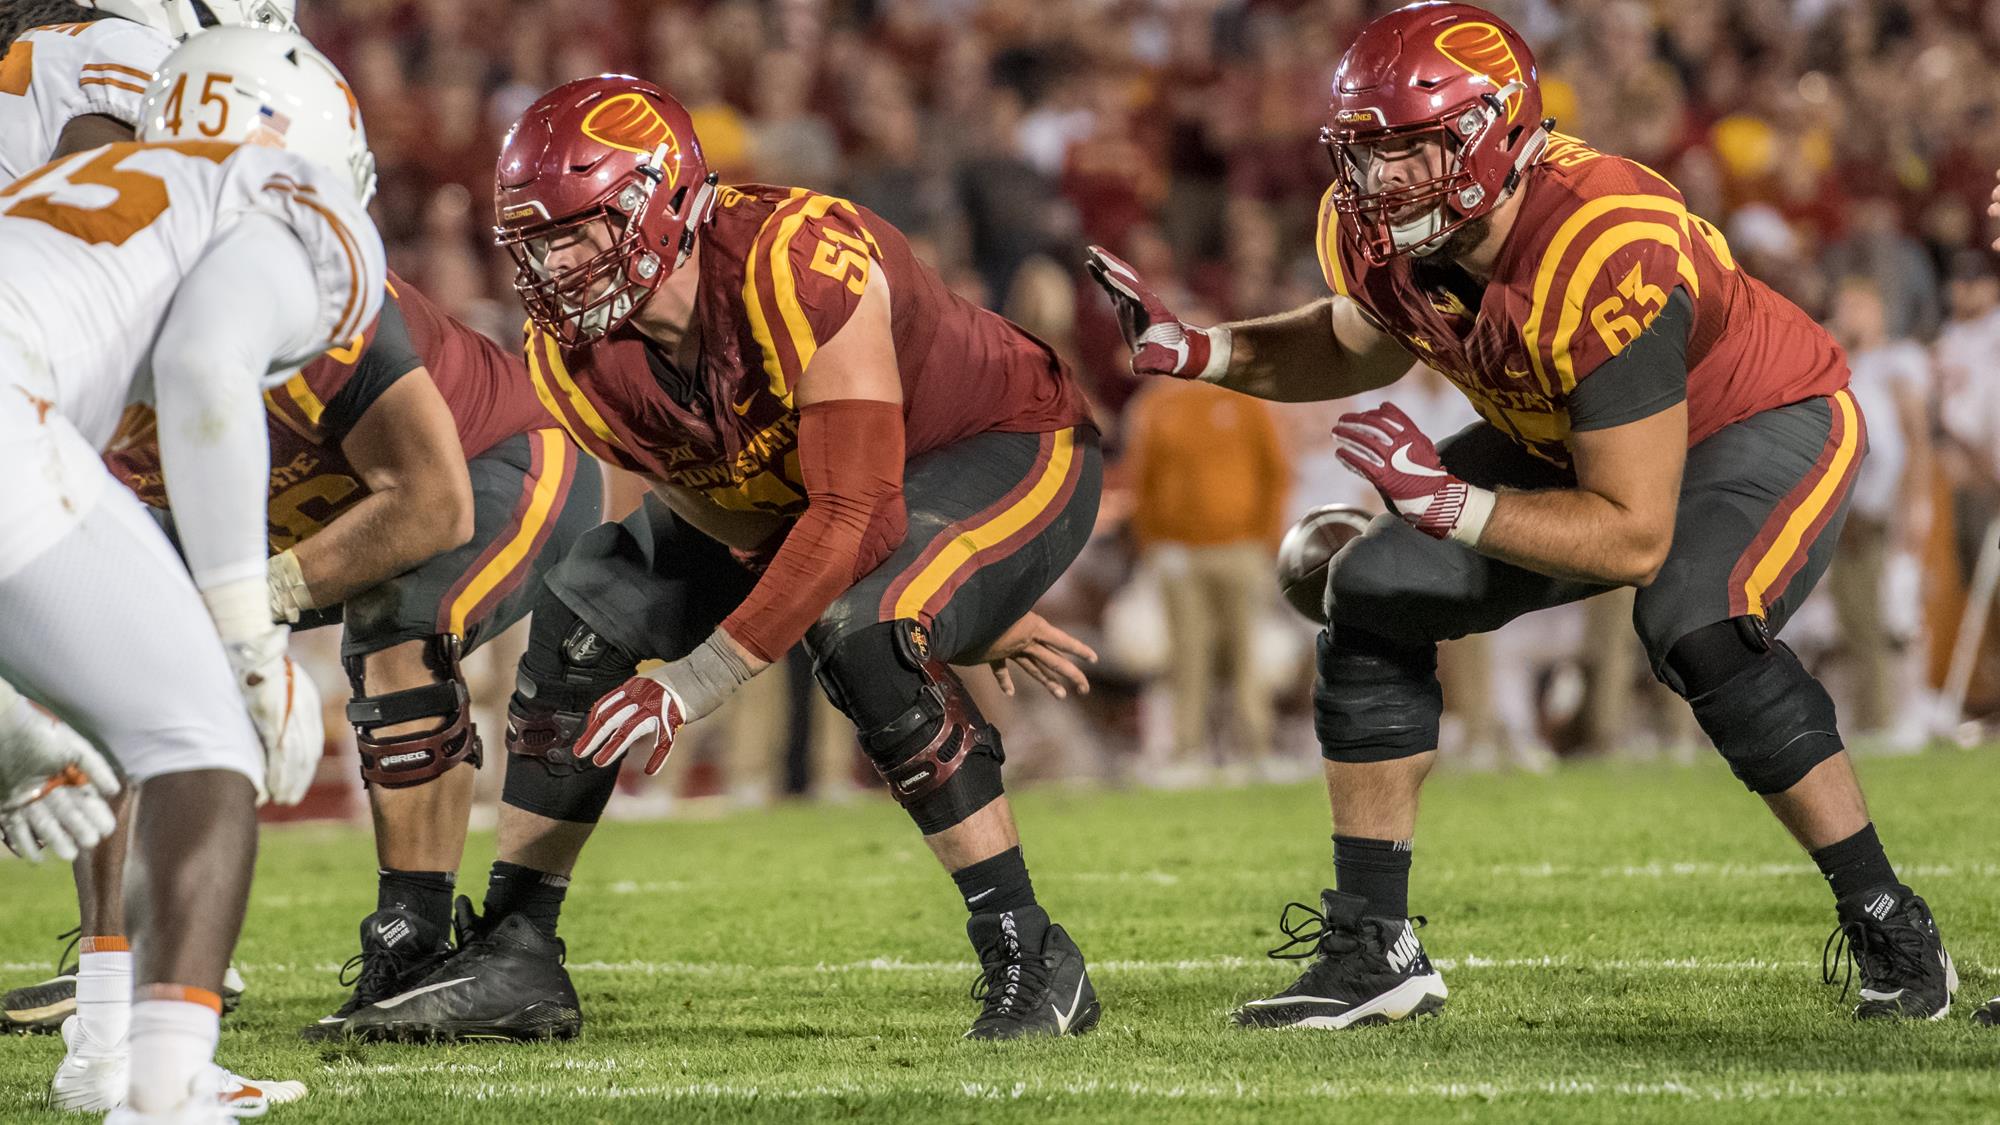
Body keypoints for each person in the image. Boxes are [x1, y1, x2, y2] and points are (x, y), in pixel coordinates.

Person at [1089, 2, 1957, 1028]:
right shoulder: (1383, 231)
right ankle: (1375, 947)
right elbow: (1361, 336)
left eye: (1408, 149)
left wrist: (1449, 500)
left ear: (1490, 132)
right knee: (1370, 588)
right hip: (1569, 432)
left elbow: (1632, 532)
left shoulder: (1601, 243)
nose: (1379, 179)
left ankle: (1891, 926)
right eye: (1365, 151)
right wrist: (1206, 351)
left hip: (1753, 421)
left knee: (1694, 621)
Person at [333, 75, 1104, 1045]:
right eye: (534, 243)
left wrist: (700, 677)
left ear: (661, 204)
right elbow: (739, 518)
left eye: (576, 233)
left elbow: (861, 513)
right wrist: (928, 587)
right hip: (807, 490)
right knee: (583, 609)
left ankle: (1030, 950)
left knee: (863, 627)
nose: (551, 266)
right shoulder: (572, 358)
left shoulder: (799, 261)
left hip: (1002, 441)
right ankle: (516, 948)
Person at [0, 25, 383, 1121]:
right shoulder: (287, 193)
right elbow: (205, 363)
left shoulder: (62, 187)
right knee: (201, 738)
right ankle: (162, 1090)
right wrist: (247, 638)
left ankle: (114, 1055)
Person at [91, 269, 602, 1044]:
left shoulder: (311, 303)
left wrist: (250, 608)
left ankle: (411, 942)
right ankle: (115, 954)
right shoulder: (62, 386)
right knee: (115, 645)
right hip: (317, 514)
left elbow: (434, 504)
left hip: (495, 461)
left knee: (392, 626)